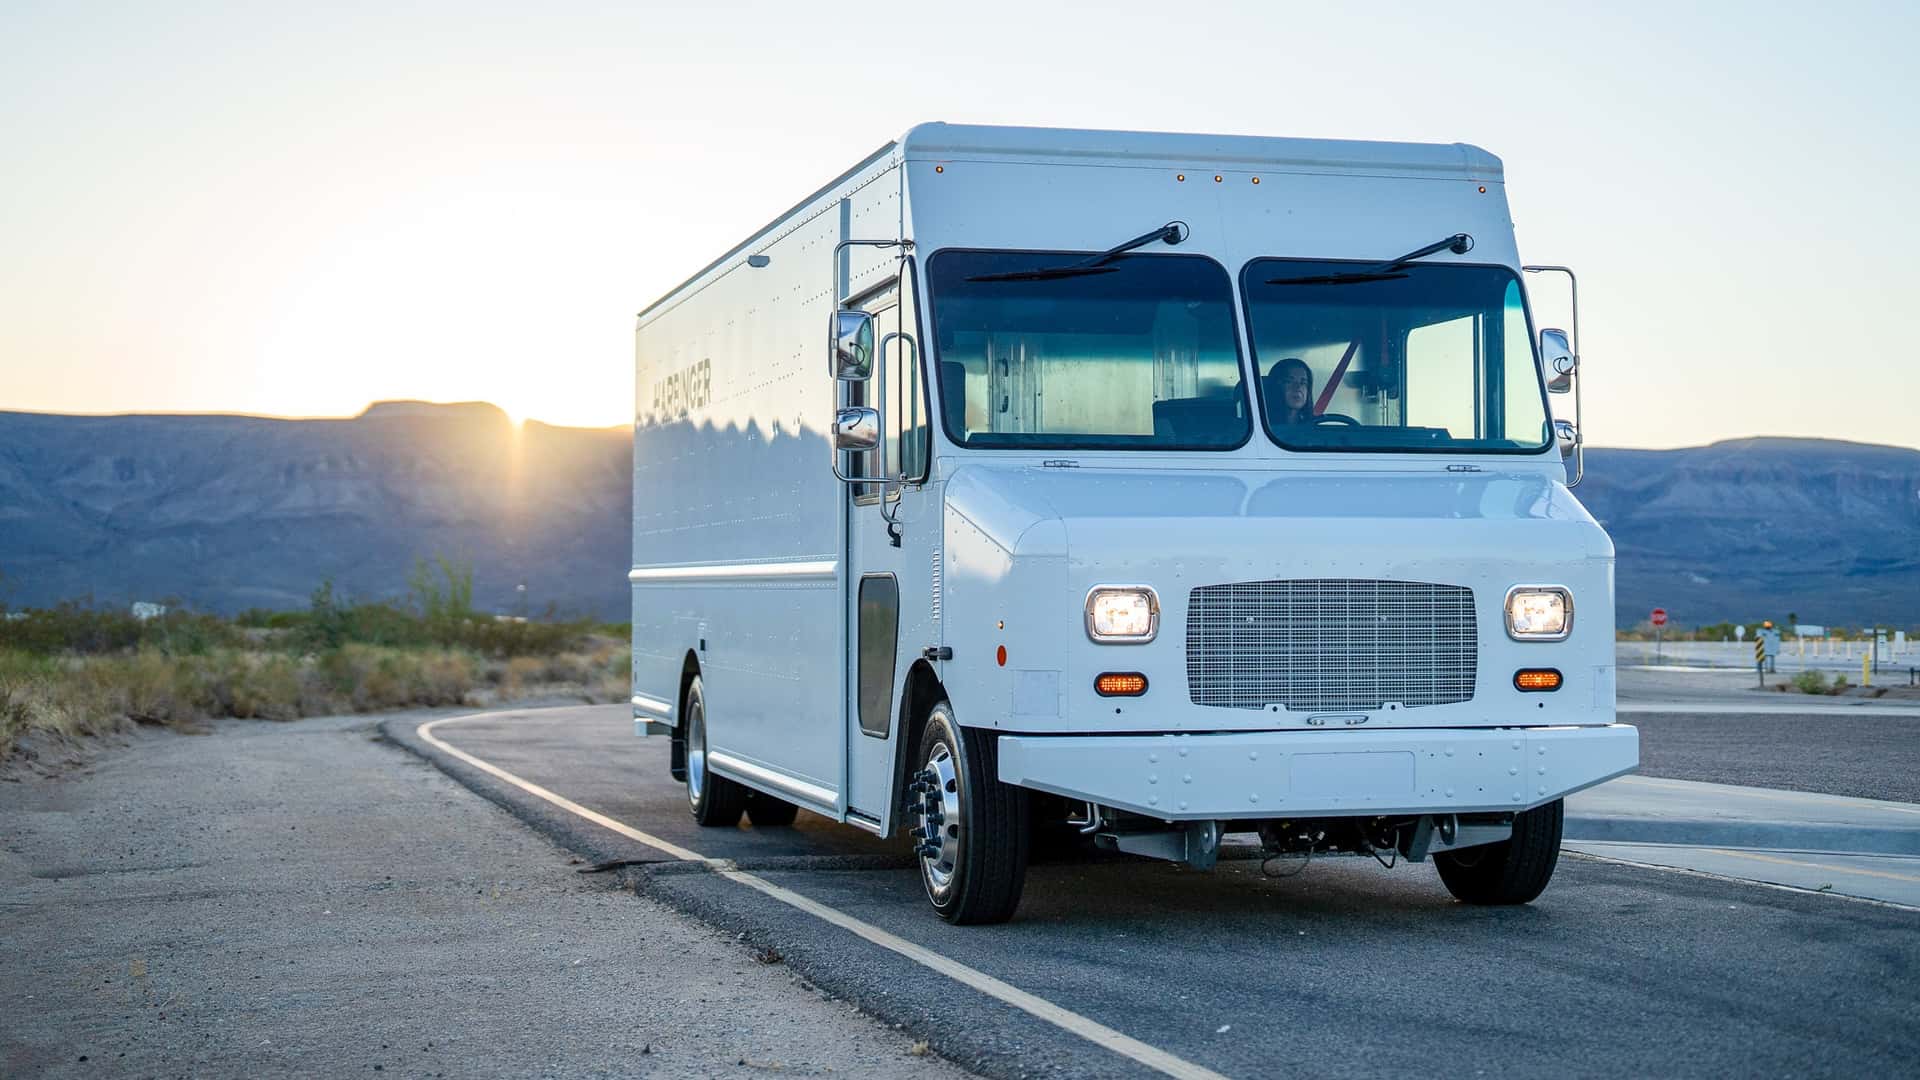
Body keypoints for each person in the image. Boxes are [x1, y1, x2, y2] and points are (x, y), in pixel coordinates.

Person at [1265, 357, 1316, 427]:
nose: (1298, 387)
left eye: (1303, 382)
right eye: (1289, 381)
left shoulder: (1314, 428)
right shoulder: (1262, 425)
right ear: (1275, 386)